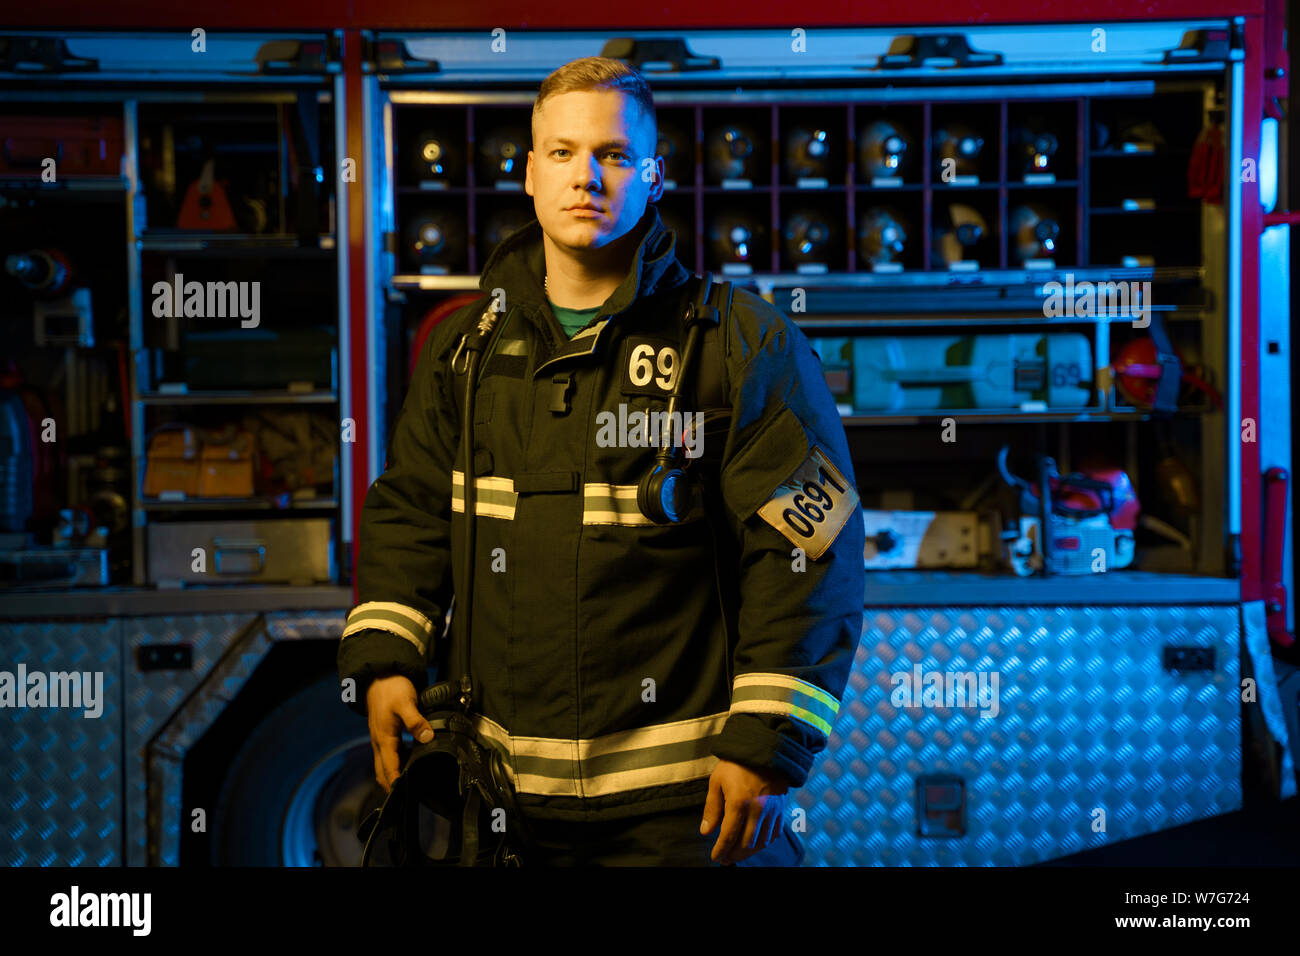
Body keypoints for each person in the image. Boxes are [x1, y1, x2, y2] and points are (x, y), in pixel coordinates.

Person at [338, 55, 865, 866]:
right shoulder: (464, 353)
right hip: (503, 809)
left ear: (654, 177)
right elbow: (411, 512)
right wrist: (386, 665)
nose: (586, 176)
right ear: (527, 174)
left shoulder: (737, 344)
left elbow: (808, 548)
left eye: (614, 155)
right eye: (562, 152)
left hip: (687, 814)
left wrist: (765, 745)